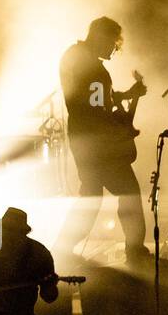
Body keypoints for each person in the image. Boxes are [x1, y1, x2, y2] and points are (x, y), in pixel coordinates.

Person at [55, 17, 151, 267]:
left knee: (91, 195)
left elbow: (96, 101)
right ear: (101, 36)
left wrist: (126, 97)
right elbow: (96, 108)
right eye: (113, 43)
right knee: (127, 192)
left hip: (87, 139)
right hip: (98, 144)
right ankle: (134, 250)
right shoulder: (90, 66)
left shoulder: (75, 56)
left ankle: (62, 248)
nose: (114, 49)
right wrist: (119, 126)